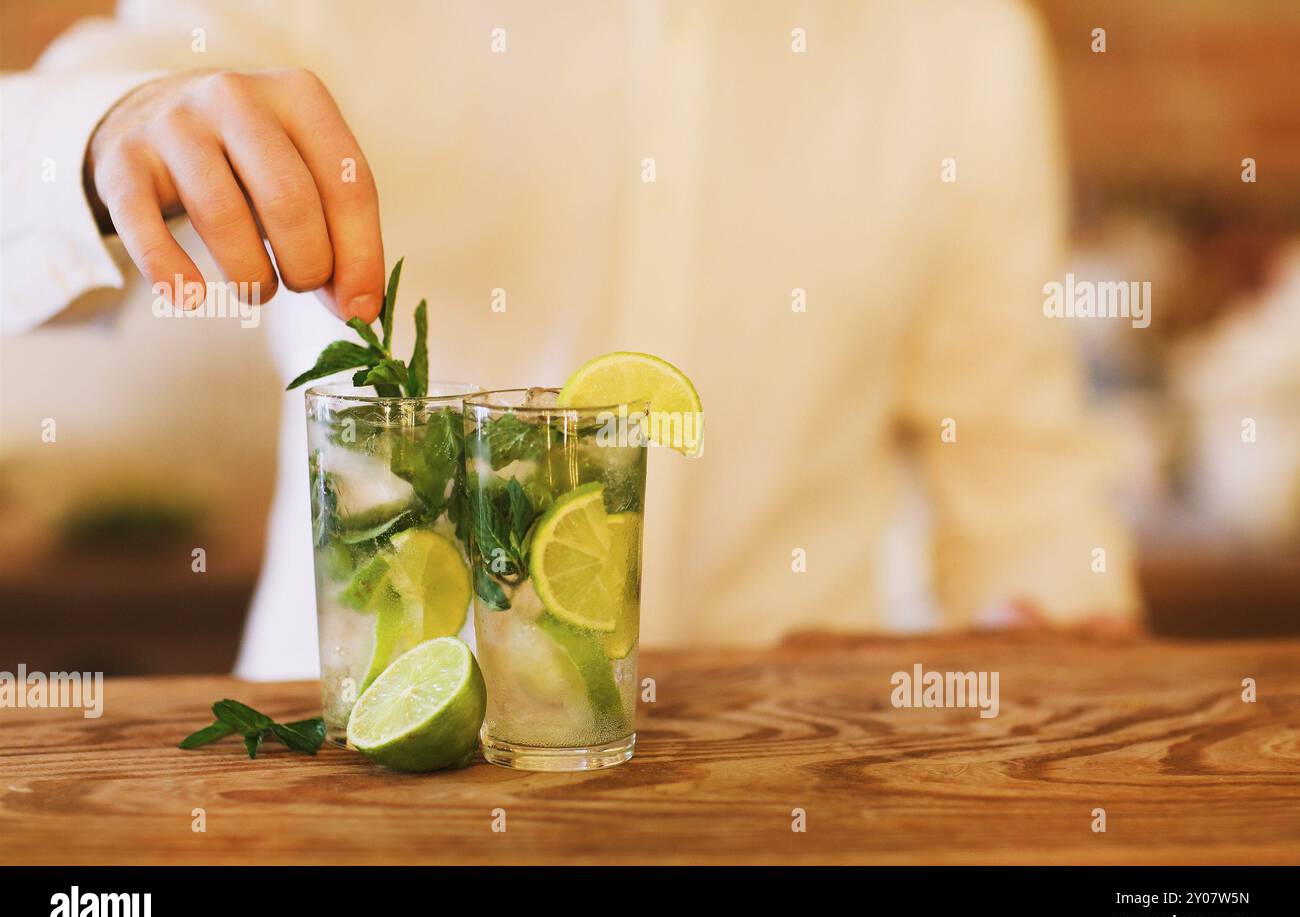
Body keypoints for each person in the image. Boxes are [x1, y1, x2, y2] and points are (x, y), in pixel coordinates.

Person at [0, 1, 1139, 679]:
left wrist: (1056, 631)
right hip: (362, 765)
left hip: (781, 789)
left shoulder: (958, 40)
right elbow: (60, 149)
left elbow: (1014, 462)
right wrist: (111, 132)